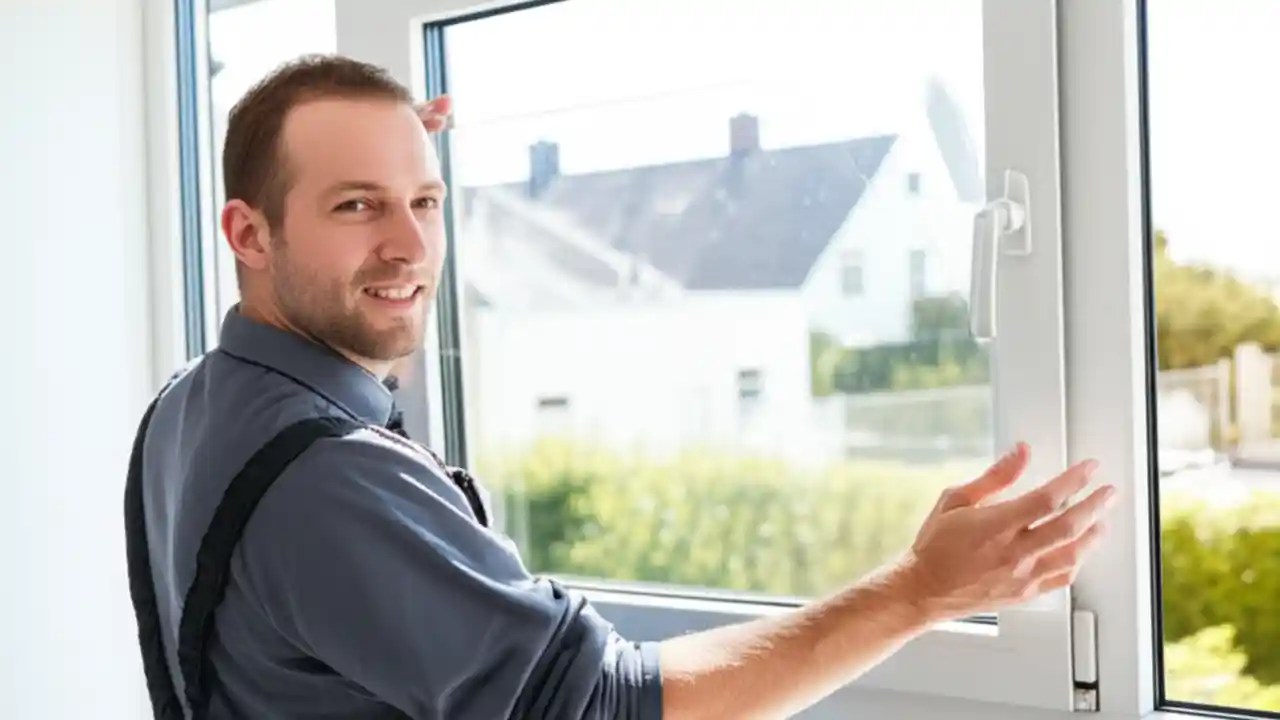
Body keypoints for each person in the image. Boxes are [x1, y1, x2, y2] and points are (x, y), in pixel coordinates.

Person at [126, 54, 1116, 720]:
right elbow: (605, 707)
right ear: (248, 234)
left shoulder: (189, 406)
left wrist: (368, 172)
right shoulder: (331, 480)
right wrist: (918, 592)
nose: (410, 244)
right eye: (356, 206)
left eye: (424, 200)